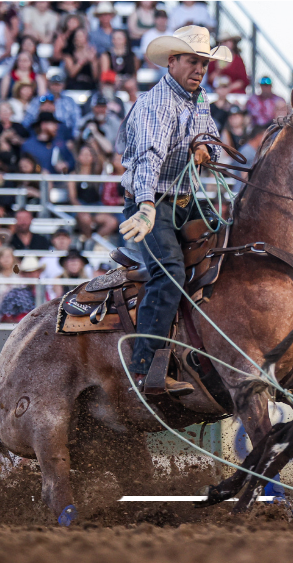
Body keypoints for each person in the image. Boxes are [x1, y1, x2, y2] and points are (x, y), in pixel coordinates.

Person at [117, 25, 229, 397]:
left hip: (183, 199)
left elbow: (214, 141)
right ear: (173, 62)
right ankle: (143, 369)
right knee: (169, 272)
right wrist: (146, 205)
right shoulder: (156, 104)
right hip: (152, 202)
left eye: (204, 64)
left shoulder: (200, 100)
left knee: (232, 244)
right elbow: (149, 158)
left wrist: (207, 151)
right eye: (194, 62)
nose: (200, 70)